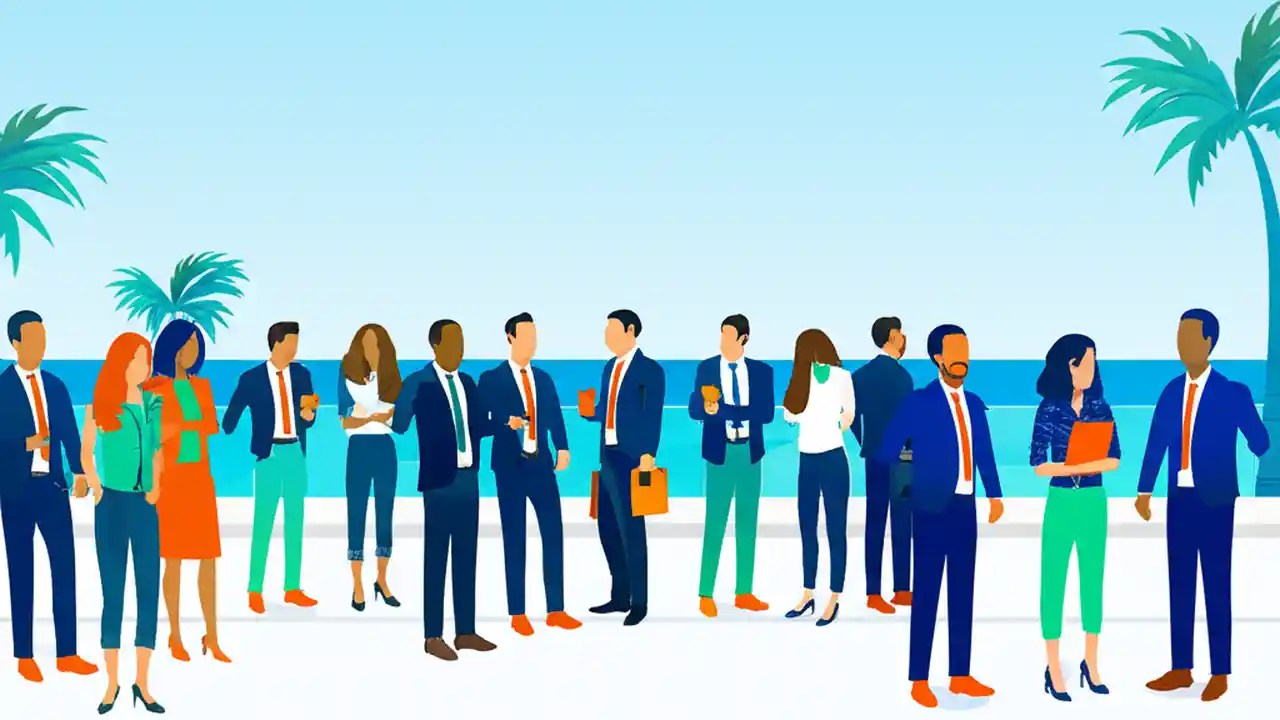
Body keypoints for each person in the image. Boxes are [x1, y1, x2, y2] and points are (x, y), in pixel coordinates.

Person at [1137, 309, 1269, 702]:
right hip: (1179, 500)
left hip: (1215, 502)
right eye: (1179, 338)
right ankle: (1181, 668)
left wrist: (1246, 432)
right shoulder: (1170, 391)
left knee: (1216, 584)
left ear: (1209, 342)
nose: (1182, 345)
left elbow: (1259, 442)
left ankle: (1220, 672)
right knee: (1179, 585)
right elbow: (1156, 442)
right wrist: (1144, 491)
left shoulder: (1232, 392)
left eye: (1190, 338)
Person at [878, 324, 1004, 709]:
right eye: (954, 351)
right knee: (928, 595)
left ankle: (960, 675)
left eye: (965, 349)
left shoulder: (975, 404)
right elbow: (887, 450)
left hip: (965, 510)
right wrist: (912, 487)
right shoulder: (919, 402)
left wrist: (994, 494)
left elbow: (983, 452)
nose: (962, 358)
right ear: (938, 357)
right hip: (931, 510)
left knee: (963, 594)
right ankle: (919, 679)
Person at [0, 310, 98, 683]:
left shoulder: (55, 385)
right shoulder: (2, 388)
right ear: (16, 343)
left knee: (64, 569)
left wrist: (80, 471)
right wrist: (23, 445)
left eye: (44, 337)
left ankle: (67, 652)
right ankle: (24, 654)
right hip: (16, 491)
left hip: (52, 488)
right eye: (34, 339)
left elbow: (69, 433)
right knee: (21, 571)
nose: (41, 345)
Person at [392, 319, 497, 660]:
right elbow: (400, 425)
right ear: (435, 346)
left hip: (469, 479)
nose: (459, 350)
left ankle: (465, 631)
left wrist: (506, 423)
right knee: (436, 559)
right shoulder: (419, 382)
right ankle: (433, 636)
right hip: (438, 482)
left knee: (467, 556)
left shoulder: (467, 382)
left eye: (462, 342)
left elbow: (479, 425)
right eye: (452, 343)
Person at [1030, 334, 1120, 701]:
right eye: (1085, 361)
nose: (1091, 367)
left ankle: (1091, 661)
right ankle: (1053, 665)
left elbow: (1114, 459)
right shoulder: (1049, 408)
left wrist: (1077, 465)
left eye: (1094, 361)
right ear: (1068, 365)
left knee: (1092, 582)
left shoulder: (1100, 406)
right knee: (1053, 579)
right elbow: (1038, 464)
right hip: (1061, 500)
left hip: (1094, 501)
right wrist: (1075, 467)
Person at [479, 313, 581, 636]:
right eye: (525, 337)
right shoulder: (491, 379)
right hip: (509, 467)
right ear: (509, 337)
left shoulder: (544, 379)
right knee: (515, 537)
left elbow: (553, 416)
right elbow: (480, 422)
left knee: (553, 533)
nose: (531, 344)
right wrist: (504, 423)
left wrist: (562, 447)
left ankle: (556, 609)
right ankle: (518, 612)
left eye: (534, 337)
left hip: (540, 464)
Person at [81, 333, 166, 714]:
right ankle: (112, 682)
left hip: (145, 506)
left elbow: (158, 449)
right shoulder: (100, 406)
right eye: (137, 359)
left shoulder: (153, 402)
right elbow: (85, 452)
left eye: (146, 360)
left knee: (148, 592)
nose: (143, 367)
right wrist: (97, 488)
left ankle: (142, 683)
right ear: (120, 362)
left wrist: (157, 487)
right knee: (112, 594)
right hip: (111, 505)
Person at [223, 322, 319, 614]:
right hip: (268, 455)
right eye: (291, 342)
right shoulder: (251, 378)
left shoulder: (302, 374)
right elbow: (229, 422)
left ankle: (292, 588)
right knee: (263, 523)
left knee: (295, 523)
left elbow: (308, 419)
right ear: (276, 343)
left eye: (297, 343)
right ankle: (255, 589)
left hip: (295, 453)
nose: (295, 348)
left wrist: (308, 414)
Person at [150, 320, 230, 663]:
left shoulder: (202, 387)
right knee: (174, 559)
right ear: (172, 348)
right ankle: (175, 633)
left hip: (199, 479)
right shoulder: (154, 388)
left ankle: (211, 634)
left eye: (196, 344)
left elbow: (207, 428)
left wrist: (178, 425)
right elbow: (154, 435)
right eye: (186, 343)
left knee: (209, 558)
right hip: (171, 481)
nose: (192, 350)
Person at [580, 309, 665, 627]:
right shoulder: (609, 368)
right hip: (608, 457)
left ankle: (639, 602)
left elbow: (652, 414)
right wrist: (591, 413)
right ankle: (620, 595)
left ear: (630, 331)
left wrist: (648, 453)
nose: (606, 335)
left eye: (612, 329)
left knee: (632, 531)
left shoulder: (650, 370)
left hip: (633, 458)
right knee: (607, 529)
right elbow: (609, 409)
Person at [688, 314, 773, 618]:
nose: (723, 341)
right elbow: (693, 407)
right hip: (719, 454)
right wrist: (706, 408)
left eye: (728, 335)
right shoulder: (707, 368)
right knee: (715, 523)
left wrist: (722, 410)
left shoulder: (762, 372)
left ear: (744, 339)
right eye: (721, 334)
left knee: (748, 524)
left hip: (750, 454)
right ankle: (705, 593)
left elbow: (765, 414)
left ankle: (744, 592)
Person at [781, 329, 853, 627]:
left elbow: (790, 416)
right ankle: (809, 592)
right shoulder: (810, 378)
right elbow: (846, 416)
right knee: (810, 528)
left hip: (830, 458)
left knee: (832, 530)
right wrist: (832, 424)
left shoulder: (839, 377)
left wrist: (825, 427)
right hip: (811, 460)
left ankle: (833, 597)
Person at [851, 316, 914, 615]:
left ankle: (873, 592)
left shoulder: (860, 376)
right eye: (900, 332)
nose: (903, 337)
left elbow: (850, 416)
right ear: (890, 337)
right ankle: (902, 589)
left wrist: (865, 439)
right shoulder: (904, 378)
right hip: (903, 458)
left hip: (874, 456)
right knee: (902, 522)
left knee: (875, 523)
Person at [337, 324, 402, 612]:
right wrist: (372, 418)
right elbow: (344, 422)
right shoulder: (347, 372)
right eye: (366, 345)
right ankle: (357, 584)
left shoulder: (391, 376)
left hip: (385, 449)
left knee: (385, 514)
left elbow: (397, 422)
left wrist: (372, 416)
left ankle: (382, 580)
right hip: (359, 449)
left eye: (376, 345)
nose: (371, 351)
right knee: (356, 515)